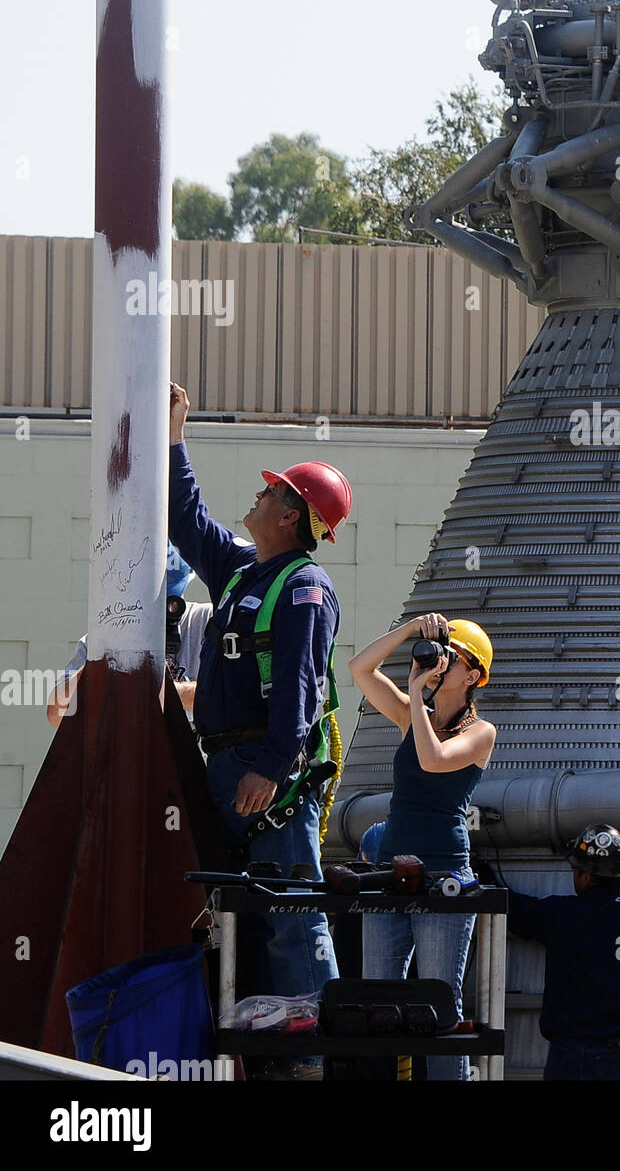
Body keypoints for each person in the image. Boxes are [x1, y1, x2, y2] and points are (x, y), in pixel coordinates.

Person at [168, 381, 352, 1067]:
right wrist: (174, 436)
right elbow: (186, 520)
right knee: (240, 925)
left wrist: (271, 770)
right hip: (230, 773)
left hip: (265, 785)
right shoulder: (244, 571)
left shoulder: (303, 589)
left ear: (292, 516)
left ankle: (313, 1060)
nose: (260, 492)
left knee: (292, 926)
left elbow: (300, 689)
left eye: (273, 490)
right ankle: (262, 1056)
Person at [348, 611, 496, 1082]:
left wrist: (415, 693)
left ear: (473, 676)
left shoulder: (481, 732)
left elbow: (433, 761)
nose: (441, 660)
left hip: (444, 874)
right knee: (380, 1000)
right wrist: (411, 630)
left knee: (438, 1008)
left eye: (454, 657)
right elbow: (359, 669)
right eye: (441, 651)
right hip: (390, 867)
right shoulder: (415, 717)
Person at [502, 823, 620, 1080]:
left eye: (575, 870)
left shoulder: (558, 915)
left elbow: (513, 909)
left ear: (586, 876)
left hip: (566, 1057)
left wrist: (480, 878)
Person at [47, 543, 211, 727]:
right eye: (145, 603)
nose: (156, 613)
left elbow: (232, 694)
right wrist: (102, 659)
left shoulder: (207, 621)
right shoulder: (104, 636)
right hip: (124, 754)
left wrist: (164, 693)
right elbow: (57, 714)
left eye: (167, 602)